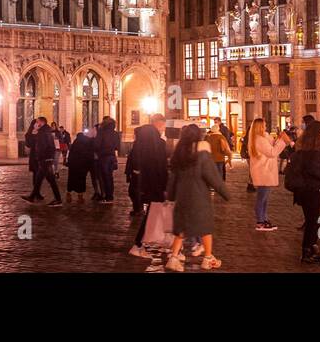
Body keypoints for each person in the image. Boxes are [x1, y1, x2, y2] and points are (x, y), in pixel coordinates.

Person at [164, 125, 231, 271]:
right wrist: (226, 193)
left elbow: (173, 179)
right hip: (199, 198)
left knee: (182, 230)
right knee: (206, 228)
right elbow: (213, 177)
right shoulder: (201, 155)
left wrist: (171, 195)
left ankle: (174, 258)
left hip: (182, 198)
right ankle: (207, 258)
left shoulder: (179, 155)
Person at [284, 119, 320, 264]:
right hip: (311, 189)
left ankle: (311, 248)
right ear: (317, 134)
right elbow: (313, 169)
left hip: (302, 190)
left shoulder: (303, 148)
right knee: (312, 221)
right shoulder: (316, 151)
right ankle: (306, 251)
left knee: (311, 220)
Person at [126, 113, 170, 257]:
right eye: (163, 126)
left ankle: (160, 241)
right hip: (155, 184)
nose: (163, 129)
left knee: (155, 214)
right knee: (154, 214)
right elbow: (161, 167)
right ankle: (139, 245)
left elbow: (134, 161)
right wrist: (164, 186)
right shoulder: (158, 143)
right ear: (159, 124)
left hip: (146, 182)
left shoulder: (141, 141)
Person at [246, 117, 292, 230]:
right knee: (262, 198)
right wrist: (282, 141)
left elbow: (271, 146)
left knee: (264, 198)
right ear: (260, 127)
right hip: (264, 171)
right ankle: (260, 221)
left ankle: (264, 219)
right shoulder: (259, 140)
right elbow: (272, 152)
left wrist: (279, 139)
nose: (266, 126)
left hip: (264, 171)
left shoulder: (262, 138)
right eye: (264, 125)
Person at [21, 116, 63, 205]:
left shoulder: (43, 132)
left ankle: (58, 200)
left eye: (37, 122)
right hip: (44, 159)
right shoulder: (45, 131)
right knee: (39, 179)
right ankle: (32, 197)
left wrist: (43, 157)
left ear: (41, 123)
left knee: (50, 180)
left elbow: (44, 146)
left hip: (45, 159)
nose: (36, 124)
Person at [94, 116, 120, 202]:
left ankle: (106, 195)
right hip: (112, 156)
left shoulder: (102, 132)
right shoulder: (115, 133)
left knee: (104, 177)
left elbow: (97, 145)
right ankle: (110, 195)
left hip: (103, 156)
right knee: (110, 176)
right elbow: (117, 146)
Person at [66, 128, 96, 201]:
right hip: (83, 163)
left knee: (71, 179)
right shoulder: (88, 141)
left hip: (73, 164)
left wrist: (69, 162)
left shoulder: (76, 142)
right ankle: (80, 196)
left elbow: (71, 153)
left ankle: (68, 194)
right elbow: (89, 153)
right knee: (81, 179)